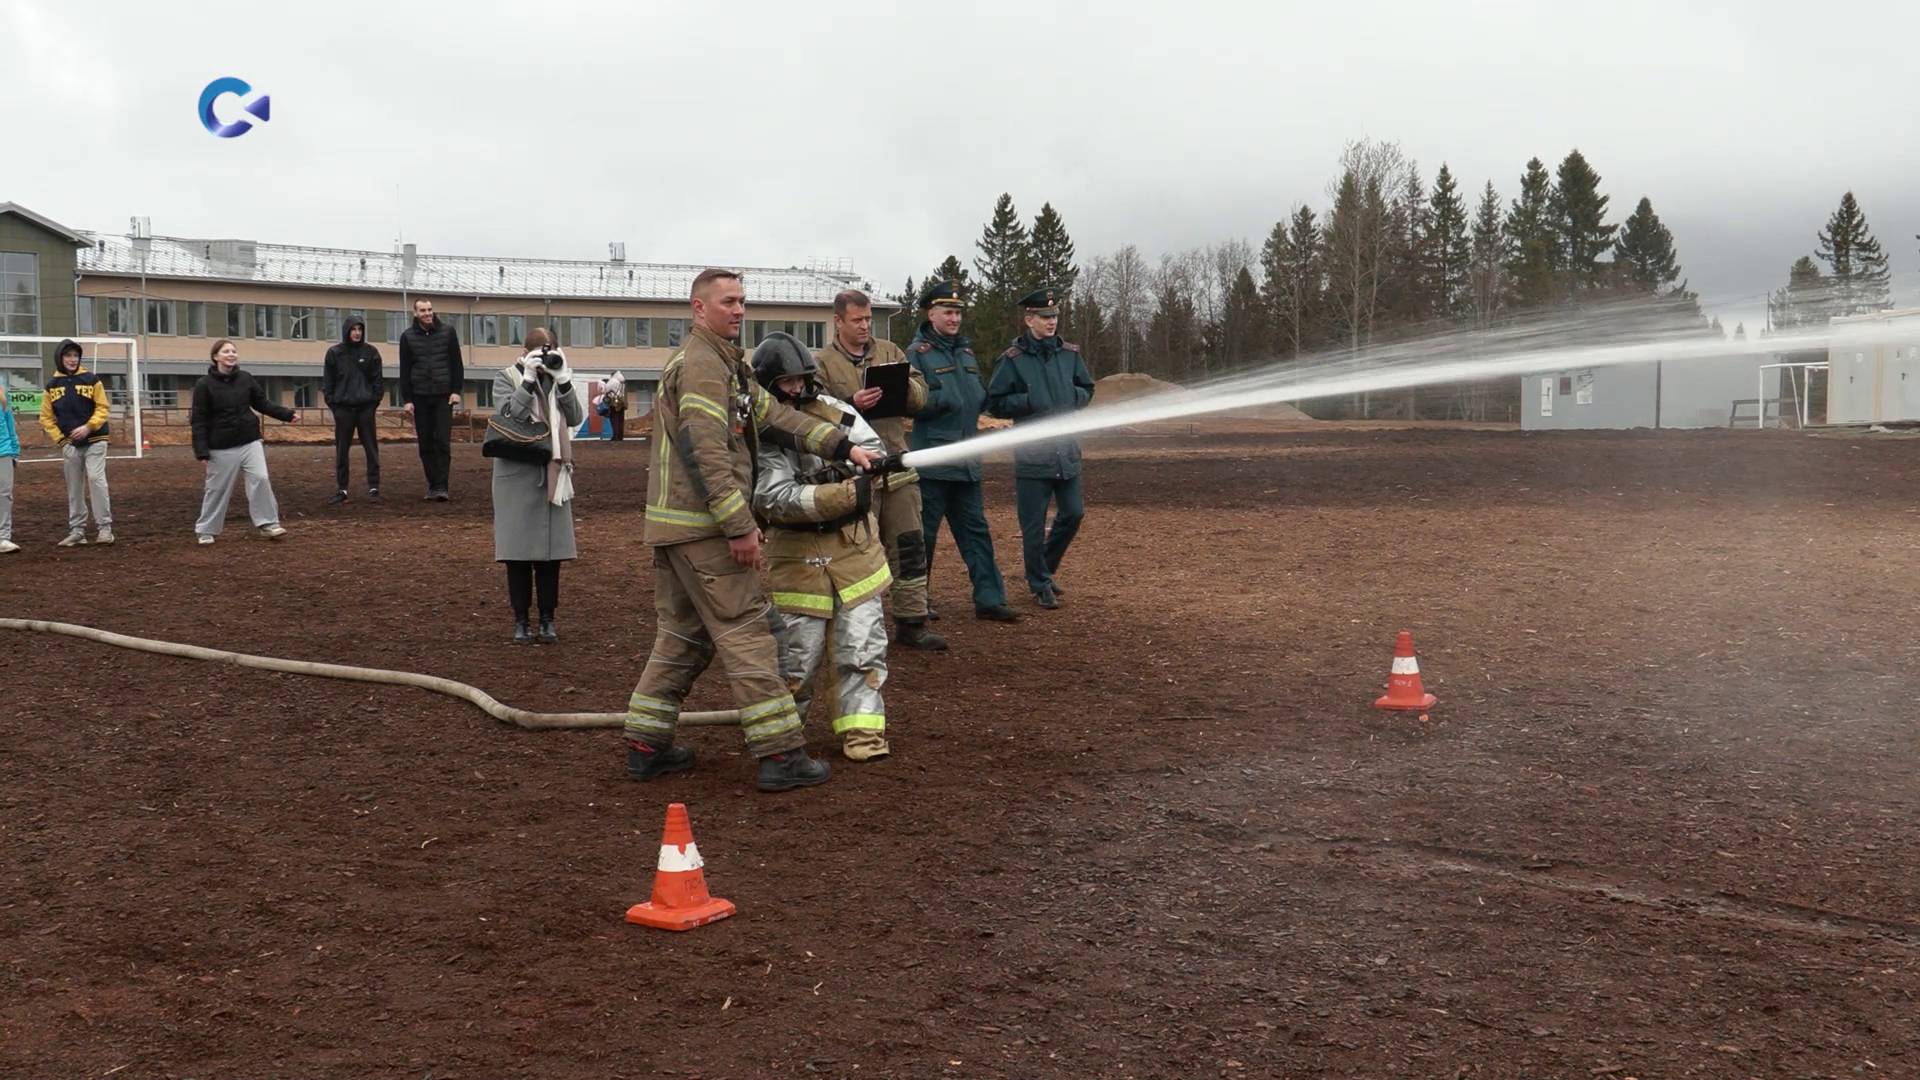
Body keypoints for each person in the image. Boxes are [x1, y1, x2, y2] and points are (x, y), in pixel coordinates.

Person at [623, 268, 877, 793]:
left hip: (676, 531)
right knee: (749, 636)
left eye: (742, 301)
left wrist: (842, 446)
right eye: (728, 302)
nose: (739, 311)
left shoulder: (726, 363)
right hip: (705, 530)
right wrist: (739, 526)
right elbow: (707, 452)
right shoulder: (701, 367)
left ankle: (646, 744)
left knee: (683, 636)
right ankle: (780, 753)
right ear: (698, 308)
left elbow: (778, 417)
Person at [751, 332, 894, 762]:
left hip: (855, 555)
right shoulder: (761, 434)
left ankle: (864, 736)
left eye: (801, 380)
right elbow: (772, 498)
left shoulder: (839, 415)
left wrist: (852, 471)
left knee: (863, 648)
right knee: (796, 660)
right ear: (767, 384)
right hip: (798, 561)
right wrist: (841, 493)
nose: (795, 389)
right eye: (786, 382)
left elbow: (873, 450)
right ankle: (785, 742)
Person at [813, 289, 946, 651]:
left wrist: (902, 390)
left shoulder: (891, 352)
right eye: (857, 320)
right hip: (855, 476)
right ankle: (856, 627)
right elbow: (814, 414)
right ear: (838, 321)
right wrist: (851, 404)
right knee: (857, 552)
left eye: (868, 319)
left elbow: (922, 395)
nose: (865, 327)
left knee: (909, 546)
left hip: (898, 468)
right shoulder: (822, 364)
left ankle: (912, 622)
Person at [905, 279, 1019, 623]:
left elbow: (978, 396)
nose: (954, 319)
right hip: (934, 462)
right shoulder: (916, 354)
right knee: (924, 536)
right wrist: (944, 400)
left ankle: (989, 599)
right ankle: (915, 602)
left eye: (958, 313)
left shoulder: (966, 353)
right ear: (931, 313)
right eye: (948, 312)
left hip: (967, 462)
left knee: (977, 533)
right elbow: (908, 402)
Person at [987, 286, 1096, 610]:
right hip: (1033, 455)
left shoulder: (1069, 354)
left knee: (1074, 513)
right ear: (1029, 319)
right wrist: (1029, 402)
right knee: (1033, 526)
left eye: (1055, 316)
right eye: (1045, 317)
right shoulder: (1012, 361)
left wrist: (1072, 399)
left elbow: (1087, 388)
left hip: (1066, 451)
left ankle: (1043, 570)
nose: (1052, 322)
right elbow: (995, 402)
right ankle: (1039, 585)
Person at [490, 327, 582, 645]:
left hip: (553, 472)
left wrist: (565, 378)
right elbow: (509, 415)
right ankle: (520, 620)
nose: (545, 357)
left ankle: (547, 618)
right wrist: (527, 380)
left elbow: (575, 416)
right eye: (539, 351)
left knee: (550, 554)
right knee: (517, 555)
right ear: (524, 351)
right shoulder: (506, 377)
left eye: (551, 349)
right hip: (517, 474)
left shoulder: (556, 378)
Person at [191, 339, 298, 544]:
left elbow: (262, 403)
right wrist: (201, 450)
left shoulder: (246, 378)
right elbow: (199, 419)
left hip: (250, 440)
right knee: (217, 489)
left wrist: (286, 414)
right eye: (226, 351)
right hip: (220, 446)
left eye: (233, 351)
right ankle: (206, 529)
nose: (231, 354)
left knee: (261, 478)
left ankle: (268, 524)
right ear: (216, 357)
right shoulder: (204, 385)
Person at [38, 339, 114, 547]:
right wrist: (62, 440)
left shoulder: (91, 379)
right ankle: (77, 530)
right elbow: (45, 417)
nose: (72, 360)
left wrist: (89, 426)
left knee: (96, 479)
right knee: (74, 486)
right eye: (68, 356)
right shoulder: (52, 385)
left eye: (75, 355)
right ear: (60, 358)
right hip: (70, 444)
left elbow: (103, 407)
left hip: (96, 439)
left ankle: (104, 528)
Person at [397, 297, 463, 501]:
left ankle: (442, 485)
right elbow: (405, 369)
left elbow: (456, 363)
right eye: (423, 310)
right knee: (425, 443)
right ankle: (433, 484)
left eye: (430, 309)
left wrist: (456, 390)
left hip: (444, 396)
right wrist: (407, 398)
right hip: (420, 396)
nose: (427, 313)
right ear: (415, 313)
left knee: (442, 441)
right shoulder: (407, 337)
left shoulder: (448, 332)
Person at [322, 314, 384, 503]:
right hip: (343, 410)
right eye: (353, 329)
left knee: (371, 449)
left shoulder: (371, 352)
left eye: (360, 329)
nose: (357, 333)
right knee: (342, 450)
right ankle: (342, 489)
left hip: (366, 409)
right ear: (347, 331)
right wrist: (334, 404)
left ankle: (374, 487)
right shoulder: (334, 353)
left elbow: (378, 381)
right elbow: (328, 382)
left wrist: (373, 403)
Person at [0, 385, 19, 554]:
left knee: (5, 495)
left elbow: (9, 422)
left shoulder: (2, 392)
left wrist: (14, 450)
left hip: (4, 451)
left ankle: (3, 537)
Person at [595, 372, 628, 442]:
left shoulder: (613, 381)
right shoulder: (622, 382)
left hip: (614, 403)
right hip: (621, 402)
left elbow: (605, 390)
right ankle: (620, 436)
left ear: (613, 375)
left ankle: (615, 437)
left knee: (614, 420)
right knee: (620, 420)